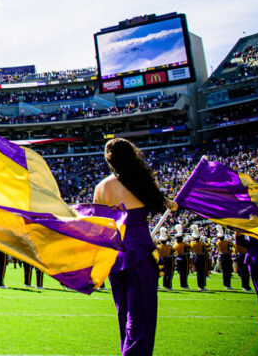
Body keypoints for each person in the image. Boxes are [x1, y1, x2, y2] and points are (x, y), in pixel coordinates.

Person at [93, 138, 172, 356]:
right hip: (140, 254)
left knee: (124, 312)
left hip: (115, 257)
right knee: (142, 316)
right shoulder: (143, 182)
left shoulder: (101, 188)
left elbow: (99, 228)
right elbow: (161, 203)